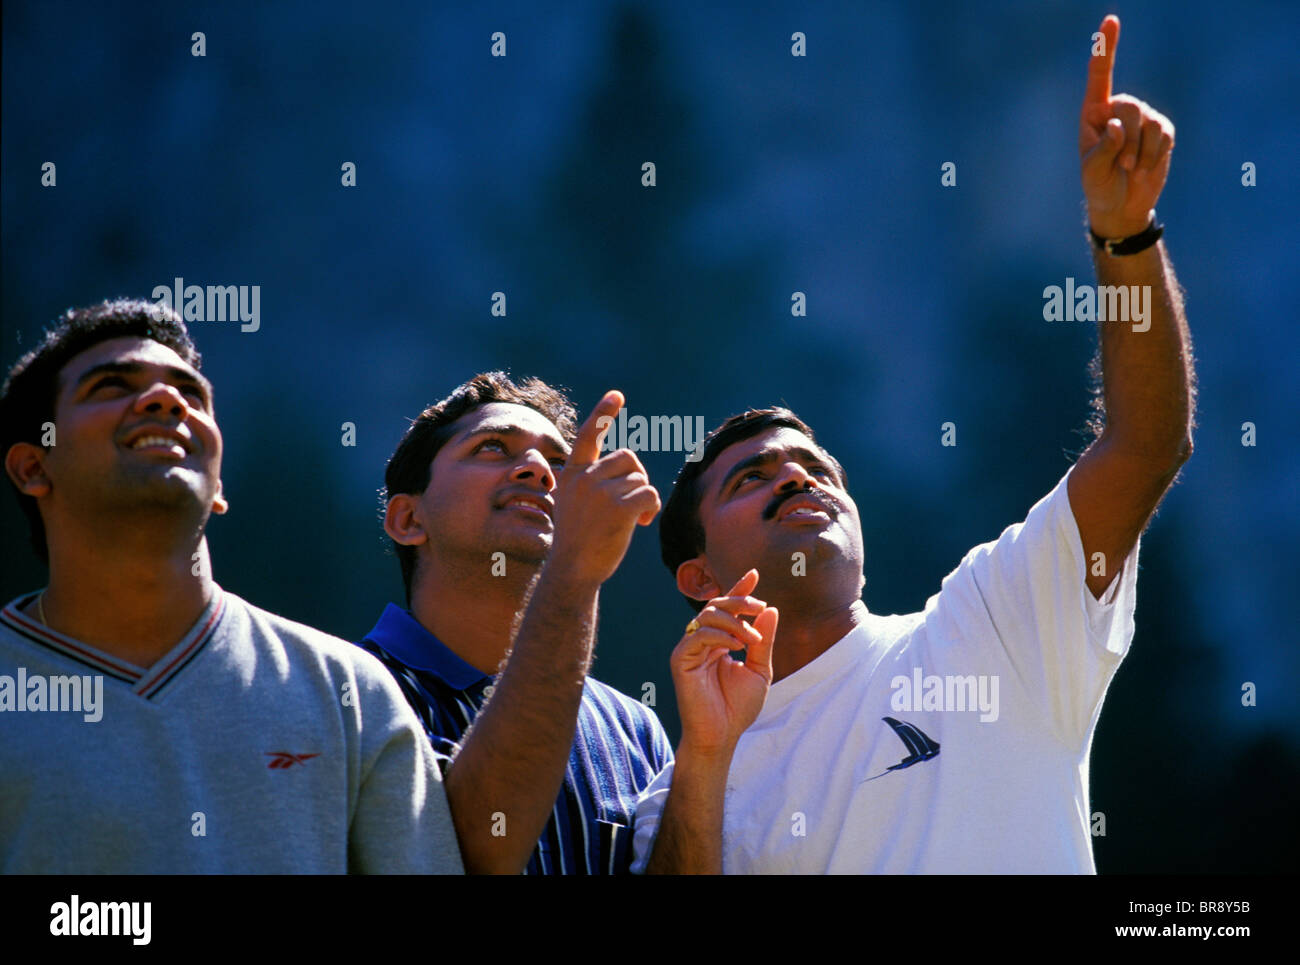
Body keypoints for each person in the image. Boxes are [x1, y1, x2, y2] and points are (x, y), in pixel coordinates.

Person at [632, 14, 1195, 874]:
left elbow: (1145, 446)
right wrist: (705, 756)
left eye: (818, 469)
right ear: (699, 578)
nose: (797, 479)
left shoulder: (988, 624)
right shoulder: (680, 793)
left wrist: (1125, 237)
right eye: (753, 476)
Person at [0, 299, 462, 873]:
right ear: (32, 468)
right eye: (111, 386)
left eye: (191, 395)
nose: (166, 401)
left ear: (218, 485)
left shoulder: (351, 695)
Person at [358, 373, 673, 874]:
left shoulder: (634, 729)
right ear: (408, 520)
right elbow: (469, 855)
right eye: (493, 448)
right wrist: (575, 570)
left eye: (559, 462)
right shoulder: (343, 693)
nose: (538, 471)